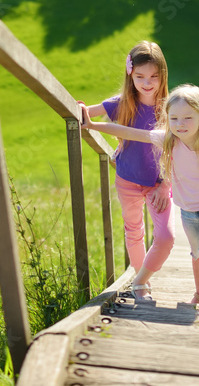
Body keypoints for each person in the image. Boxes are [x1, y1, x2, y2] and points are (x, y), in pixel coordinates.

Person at [81, 84, 199, 310]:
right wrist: (92, 124)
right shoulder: (168, 140)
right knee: (197, 254)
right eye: (174, 119)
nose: (180, 124)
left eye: (187, 118)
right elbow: (129, 133)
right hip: (188, 209)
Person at [79, 41, 171, 301]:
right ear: (130, 74)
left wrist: (164, 184)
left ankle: (143, 276)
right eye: (140, 76)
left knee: (166, 236)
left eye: (154, 76)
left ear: (163, 75)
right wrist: (81, 110)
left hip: (158, 182)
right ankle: (141, 284)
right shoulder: (122, 103)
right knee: (134, 230)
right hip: (127, 179)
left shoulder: (170, 108)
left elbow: (176, 150)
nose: (147, 82)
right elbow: (87, 113)